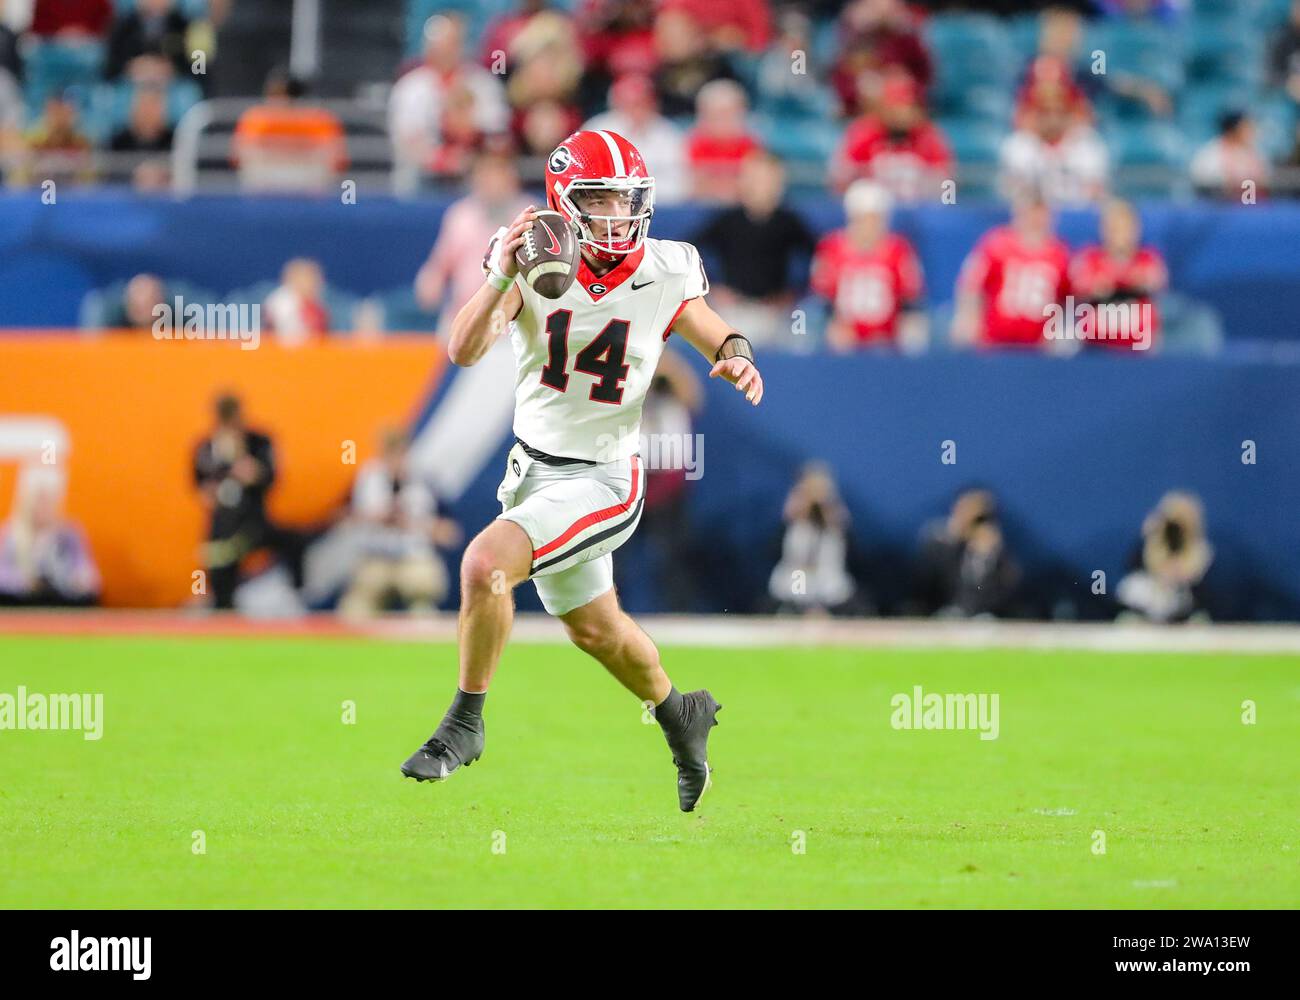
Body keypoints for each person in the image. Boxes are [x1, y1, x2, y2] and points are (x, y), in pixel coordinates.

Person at [399, 129, 767, 812]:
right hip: (533, 471)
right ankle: (679, 713)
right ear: (565, 202)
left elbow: (715, 327)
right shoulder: (534, 261)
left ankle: (464, 723)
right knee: (595, 630)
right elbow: (464, 348)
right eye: (598, 200)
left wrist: (739, 353)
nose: (616, 216)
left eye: (626, 201)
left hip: (603, 476)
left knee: (486, 564)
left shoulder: (665, 267)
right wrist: (500, 275)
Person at [192, 394, 306, 610]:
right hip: (224, 526)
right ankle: (220, 606)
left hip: (255, 521)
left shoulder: (258, 442)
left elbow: (271, 476)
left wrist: (252, 471)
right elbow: (201, 487)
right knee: (219, 563)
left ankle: (299, 598)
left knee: (295, 543)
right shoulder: (207, 447)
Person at [692, 150, 816, 346]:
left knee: (801, 339)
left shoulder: (788, 222)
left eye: (769, 180)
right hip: (734, 309)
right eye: (756, 179)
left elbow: (818, 256)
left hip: (776, 312)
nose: (762, 186)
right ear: (744, 181)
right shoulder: (728, 220)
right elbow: (689, 250)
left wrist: (794, 293)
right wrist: (713, 288)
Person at [339, 429, 460, 619]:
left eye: (399, 452)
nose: (394, 459)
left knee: (422, 598)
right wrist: (375, 518)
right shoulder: (366, 479)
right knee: (355, 611)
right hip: (375, 558)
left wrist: (413, 523)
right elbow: (341, 519)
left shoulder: (424, 481)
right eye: (389, 453)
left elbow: (451, 533)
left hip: (412, 557)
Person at [415, 152, 531, 329]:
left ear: (511, 178)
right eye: (484, 174)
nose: (490, 181)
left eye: (496, 173)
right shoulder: (460, 216)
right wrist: (431, 283)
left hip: (512, 325)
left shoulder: (530, 216)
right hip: (465, 317)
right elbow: (439, 266)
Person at [811, 179, 925, 351]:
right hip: (844, 339)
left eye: (874, 219)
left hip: (887, 340)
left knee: (915, 336)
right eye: (862, 219)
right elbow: (821, 299)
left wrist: (904, 336)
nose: (868, 226)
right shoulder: (831, 249)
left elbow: (911, 300)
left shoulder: (899, 250)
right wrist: (833, 326)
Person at [952, 190, 1071, 349]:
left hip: (1036, 346)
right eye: (1031, 212)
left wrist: (1057, 334)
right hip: (995, 341)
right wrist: (968, 319)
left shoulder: (1060, 253)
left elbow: (1066, 298)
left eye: (1040, 213)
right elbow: (971, 286)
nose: (1035, 219)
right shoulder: (996, 244)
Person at [1068, 199, 1167, 352]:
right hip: (1095, 347)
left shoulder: (1148, 259)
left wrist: (1117, 283)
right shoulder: (1089, 258)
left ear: (1135, 230)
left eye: (1124, 228)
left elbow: (1155, 282)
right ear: (1104, 230)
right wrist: (1120, 283)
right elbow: (1083, 288)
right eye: (1114, 228)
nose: (1120, 235)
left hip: (1138, 346)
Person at [767, 463, 865, 616]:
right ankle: (796, 612)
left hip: (828, 577)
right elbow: (775, 551)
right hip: (798, 576)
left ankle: (826, 614)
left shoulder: (834, 519)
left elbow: (854, 557)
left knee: (841, 591)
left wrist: (837, 518)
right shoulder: (795, 521)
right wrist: (790, 515)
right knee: (794, 586)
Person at [912, 489, 1020, 618]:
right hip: (942, 615)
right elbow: (923, 589)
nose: (971, 523)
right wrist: (950, 542)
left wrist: (983, 558)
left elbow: (1007, 596)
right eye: (964, 512)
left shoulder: (1001, 554)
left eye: (979, 518)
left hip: (988, 619)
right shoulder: (939, 544)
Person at [0, 467, 100, 607]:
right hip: (23, 599)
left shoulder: (68, 534)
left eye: (50, 500)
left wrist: (80, 580)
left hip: (60, 597)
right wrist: (25, 581)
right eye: (40, 499)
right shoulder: (11, 533)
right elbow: (3, 574)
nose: (45, 506)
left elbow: (87, 571)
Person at [1116, 492, 1213, 623]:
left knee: (1198, 616)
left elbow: (1202, 586)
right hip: (1151, 597)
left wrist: (1182, 574)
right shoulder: (1153, 539)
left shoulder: (1200, 548)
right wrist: (1149, 538)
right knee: (1135, 587)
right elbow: (1132, 567)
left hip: (1183, 601)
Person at [1190, 112, 1271, 201]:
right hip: (1221, 209)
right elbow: (1204, 186)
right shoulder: (1210, 155)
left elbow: (1266, 181)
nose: (1251, 131)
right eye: (1246, 127)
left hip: (1253, 208)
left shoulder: (1255, 152)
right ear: (1233, 130)